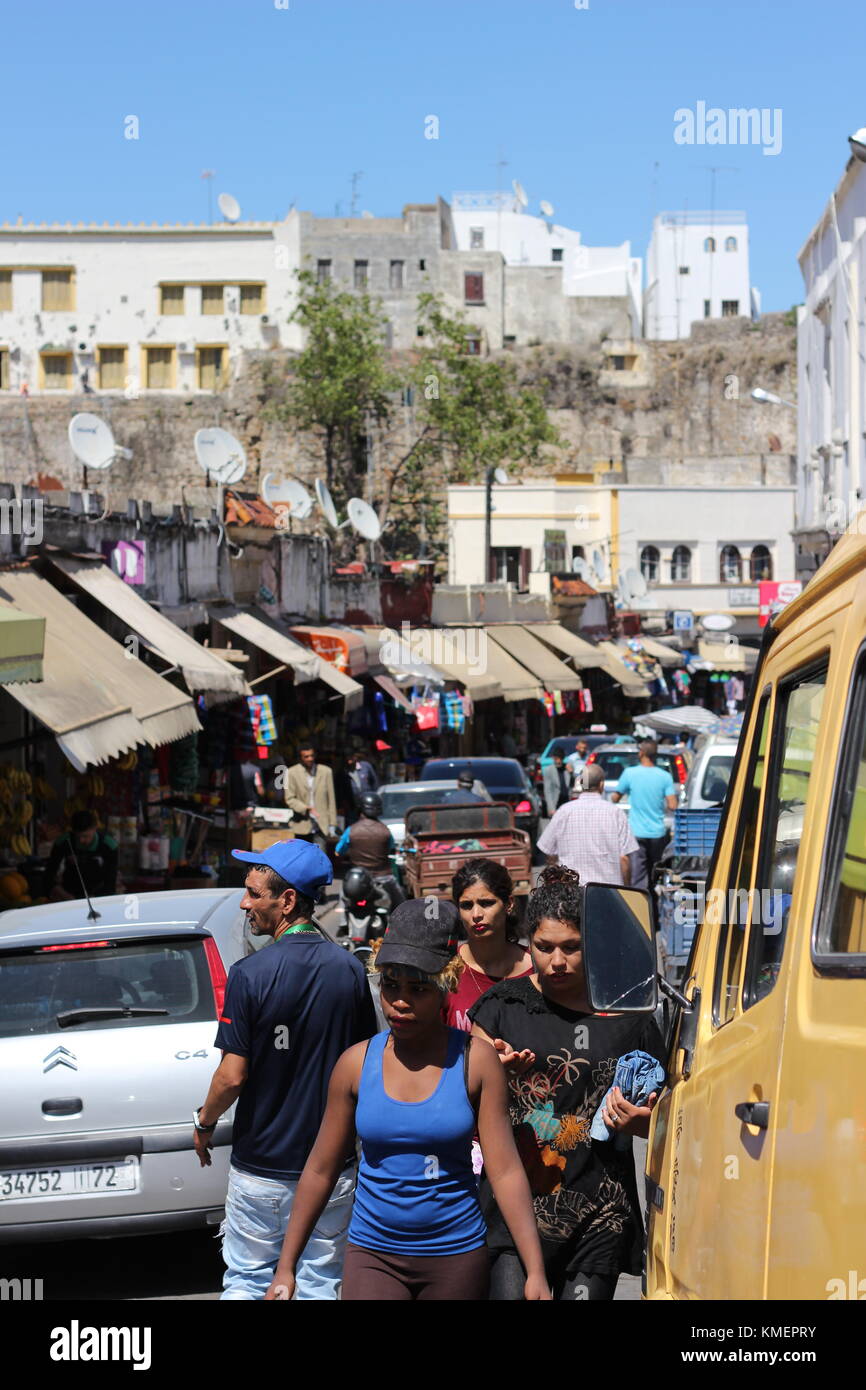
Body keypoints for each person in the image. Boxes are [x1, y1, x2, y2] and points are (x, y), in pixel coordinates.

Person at [264, 899, 550, 1302]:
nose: (400, 1001)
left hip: (456, 1255)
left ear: (445, 990)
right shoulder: (354, 1065)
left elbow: (504, 1171)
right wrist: (286, 1266)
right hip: (372, 1255)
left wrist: (534, 1269)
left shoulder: (477, 1061)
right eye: (391, 985)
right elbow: (320, 1169)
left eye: (418, 989)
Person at [468, 865, 666, 1301]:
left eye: (572, 948)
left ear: (592, 943)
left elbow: (673, 1115)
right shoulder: (500, 1008)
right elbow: (459, 1106)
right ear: (528, 943)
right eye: (544, 947)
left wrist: (644, 1122)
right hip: (512, 1210)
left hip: (601, 1214)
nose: (557, 961)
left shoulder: (629, 1013)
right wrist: (491, 1076)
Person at [193, 839, 377, 1300]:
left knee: (247, 1282)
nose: (244, 903)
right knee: (320, 1285)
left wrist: (205, 1122)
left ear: (288, 900)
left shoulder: (249, 975)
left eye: (254, 893)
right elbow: (364, 1064)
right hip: (333, 1169)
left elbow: (232, 1076)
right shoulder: (348, 970)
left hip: (261, 1172)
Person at [446, 859, 533, 1033]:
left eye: (486, 903)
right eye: (466, 905)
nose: (476, 914)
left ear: (509, 904)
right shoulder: (446, 968)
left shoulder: (536, 968)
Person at [537, 764, 638, 886]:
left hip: (571, 892)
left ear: (581, 783)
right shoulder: (615, 813)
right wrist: (627, 889)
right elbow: (624, 859)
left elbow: (548, 850)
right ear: (601, 784)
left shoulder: (564, 811)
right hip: (609, 892)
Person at [610, 738, 678, 894]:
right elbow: (673, 805)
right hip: (657, 834)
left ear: (641, 753)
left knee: (638, 878)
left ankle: (641, 911)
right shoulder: (664, 776)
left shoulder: (630, 773)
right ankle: (656, 905)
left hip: (637, 833)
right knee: (656, 873)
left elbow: (615, 798)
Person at [334, 791, 405, 912]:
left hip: (358, 878)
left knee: (344, 898)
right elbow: (391, 848)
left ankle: (343, 920)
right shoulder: (385, 830)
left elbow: (338, 851)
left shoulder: (351, 830)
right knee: (402, 907)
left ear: (360, 808)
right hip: (383, 877)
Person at [46, 811, 118, 902]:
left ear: (95, 828)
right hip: (68, 894)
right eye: (78, 836)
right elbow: (49, 876)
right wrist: (64, 895)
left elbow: (110, 884)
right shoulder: (63, 842)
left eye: (85, 836)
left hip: (98, 896)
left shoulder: (109, 846)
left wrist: (93, 899)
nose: (81, 840)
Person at [283, 743, 337, 844]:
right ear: (300, 758)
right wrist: (306, 809)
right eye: (306, 756)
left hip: (321, 825)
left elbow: (331, 799)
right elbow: (289, 798)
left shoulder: (326, 772)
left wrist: (332, 823)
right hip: (302, 824)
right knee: (302, 857)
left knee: (319, 857)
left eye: (312, 755)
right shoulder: (291, 773)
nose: (310, 759)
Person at [542, 746, 573, 817]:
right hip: (555, 803)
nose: (558, 761)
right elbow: (547, 791)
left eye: (560, 759)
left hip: (567, 802)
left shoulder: (567, 768)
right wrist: (551, 808)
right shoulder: (549, 770)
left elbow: (574, 784)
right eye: (556, 759)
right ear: (553, 758)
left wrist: (571, 773)